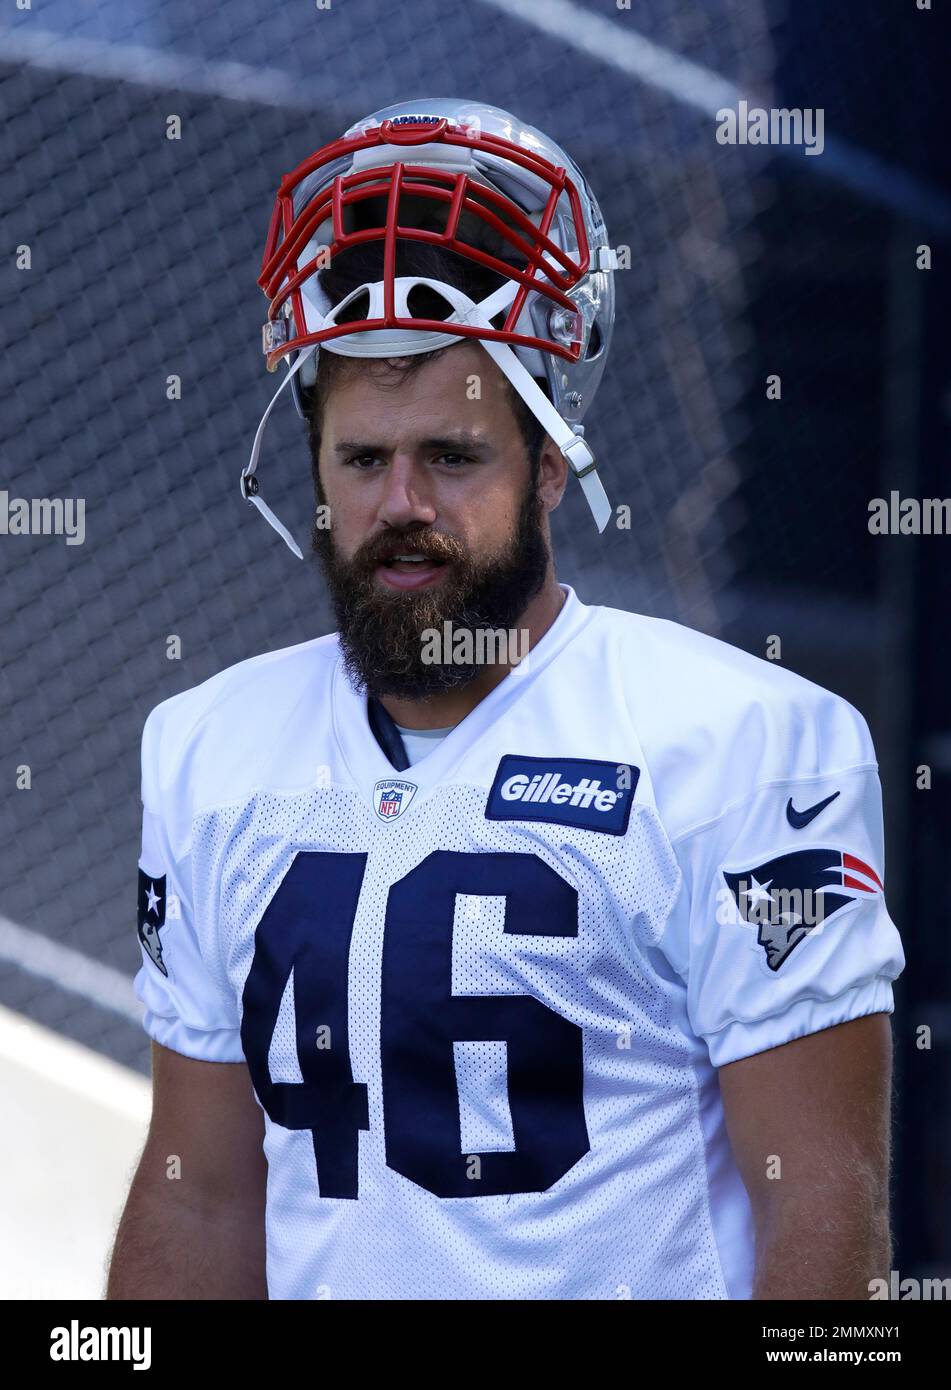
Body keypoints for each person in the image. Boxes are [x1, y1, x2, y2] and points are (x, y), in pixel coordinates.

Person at [108, 100, 904, 1301]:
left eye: (455, 455)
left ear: (549, 463)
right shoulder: (210, 751)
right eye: (363, 461)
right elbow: (199, 1190)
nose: (403, 504)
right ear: (312, 470)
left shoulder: (745, 747)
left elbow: (827, 1205)